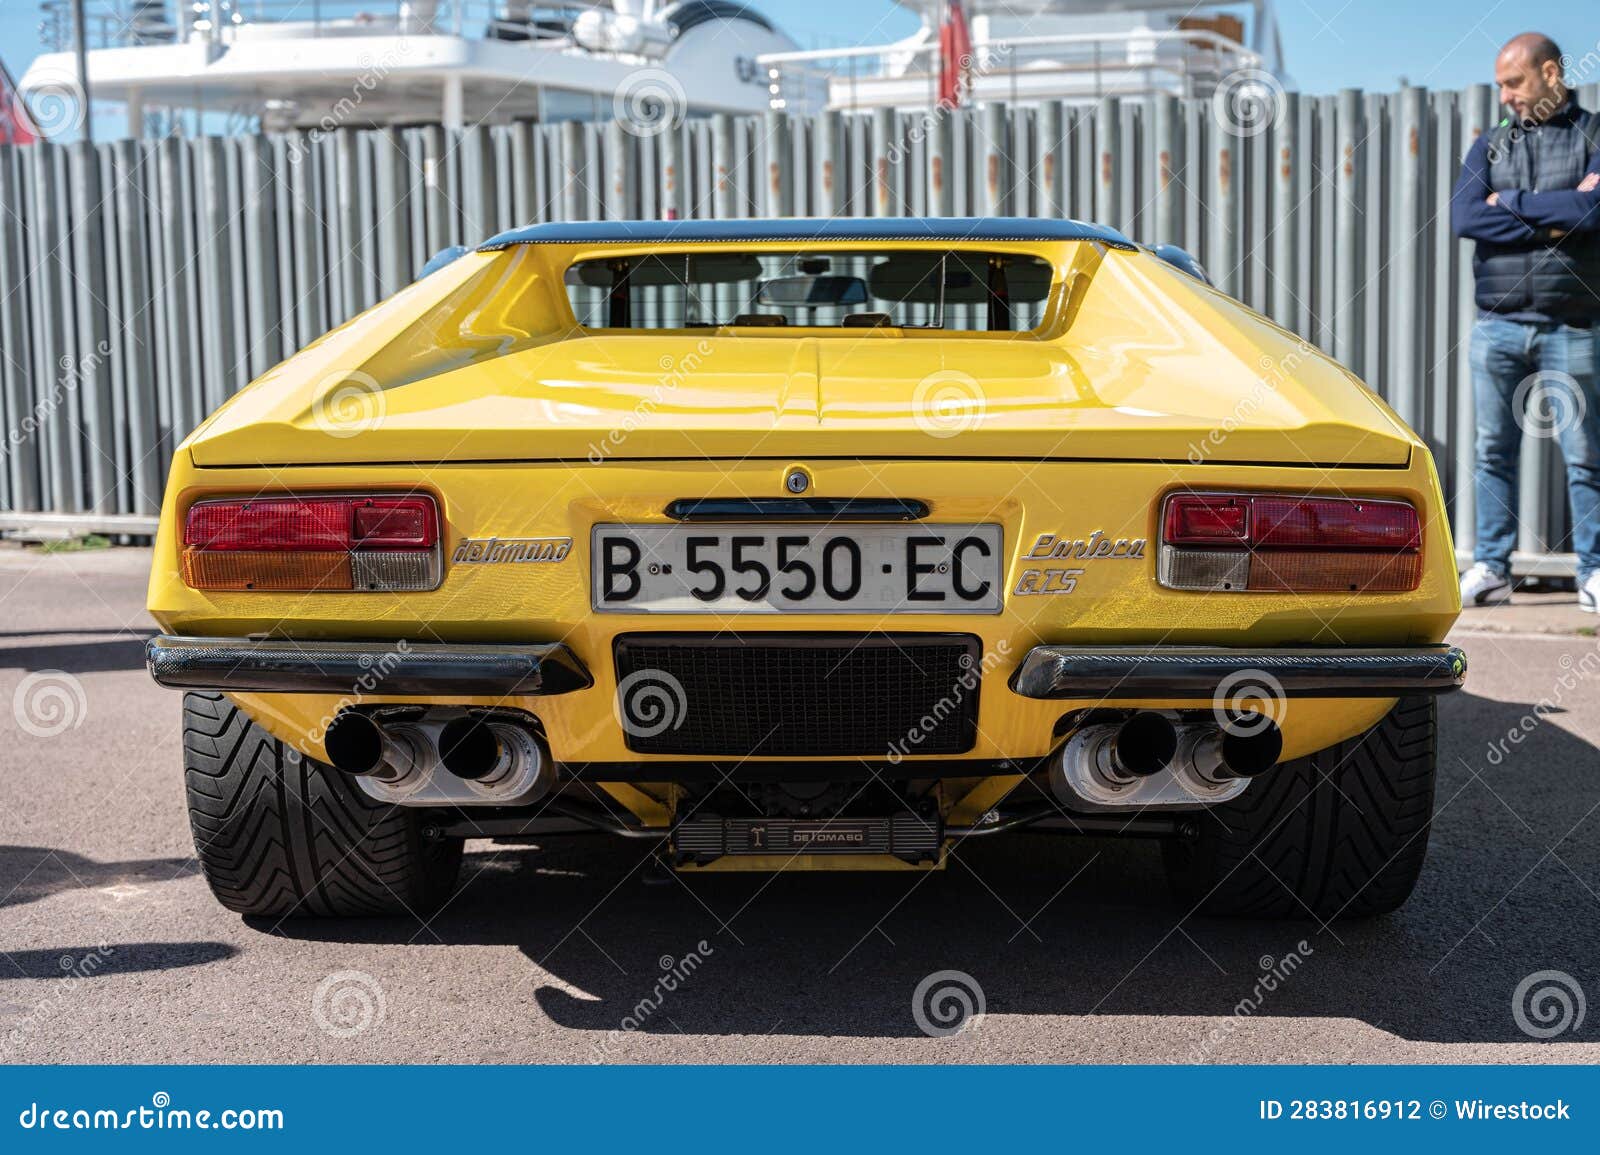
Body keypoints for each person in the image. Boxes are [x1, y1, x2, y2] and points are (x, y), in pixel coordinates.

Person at [1450, 32, 1600, 609]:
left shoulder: (1593, 135)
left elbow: (1592, 212)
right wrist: (1555, 214)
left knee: (1585, 452)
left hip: (1574, 322)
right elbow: (1465, 216)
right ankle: (1491, 567)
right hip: (1498, 324)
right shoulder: (1488, 145)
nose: (1505, 95)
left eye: (1514, 82)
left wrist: (1509, 204)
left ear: (1551, 75)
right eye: (1499, 86)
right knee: (1492, 450)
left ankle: (1592, 572)